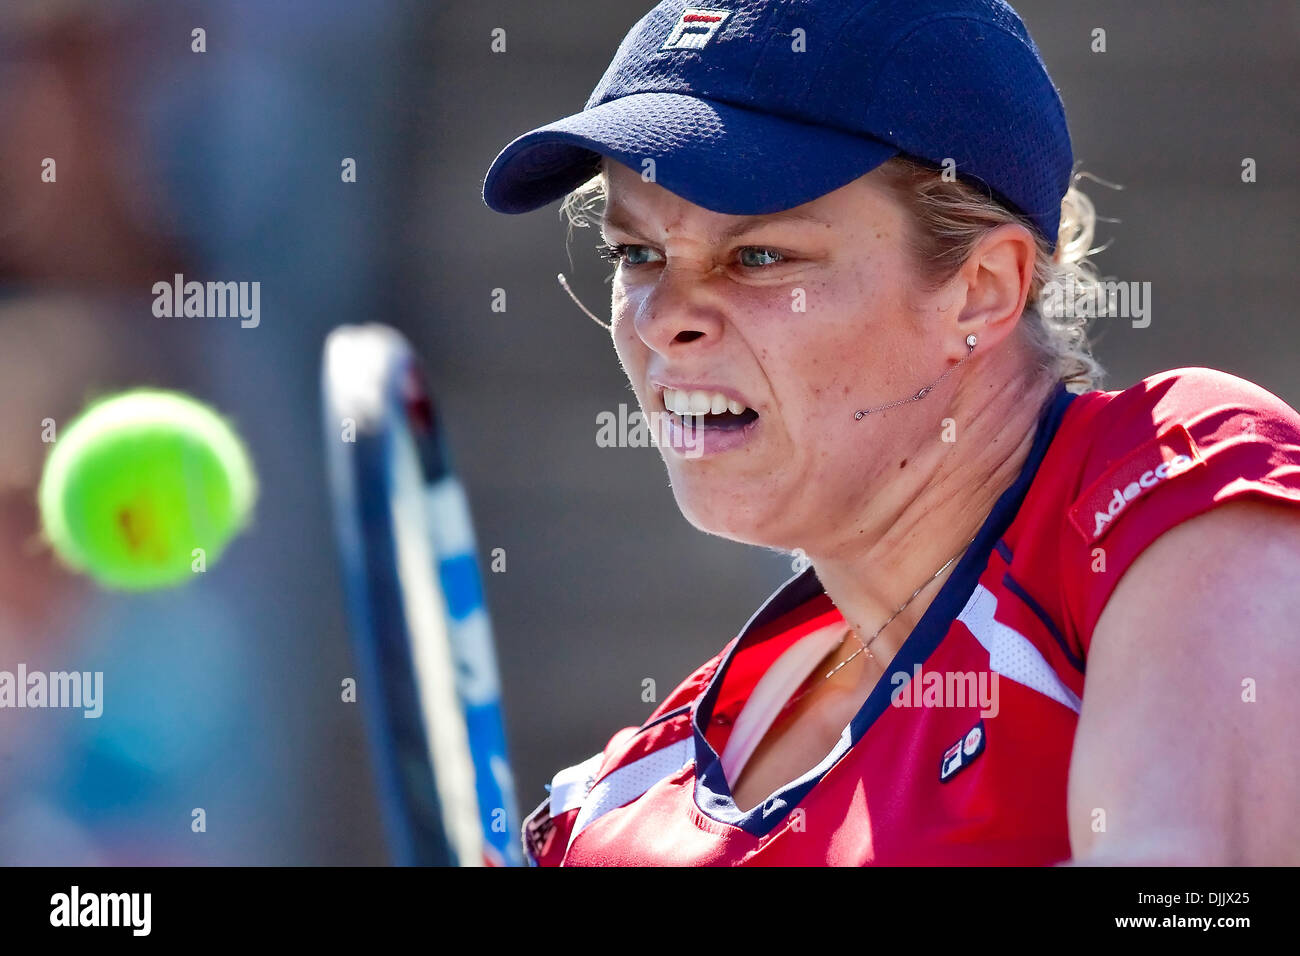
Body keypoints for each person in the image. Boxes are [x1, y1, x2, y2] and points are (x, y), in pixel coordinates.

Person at [481, 0, 1300, 865]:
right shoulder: (617, 809)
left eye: (760, 256)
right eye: (636, 254)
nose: (662, 322)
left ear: (982, 290)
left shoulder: (1179, 477)